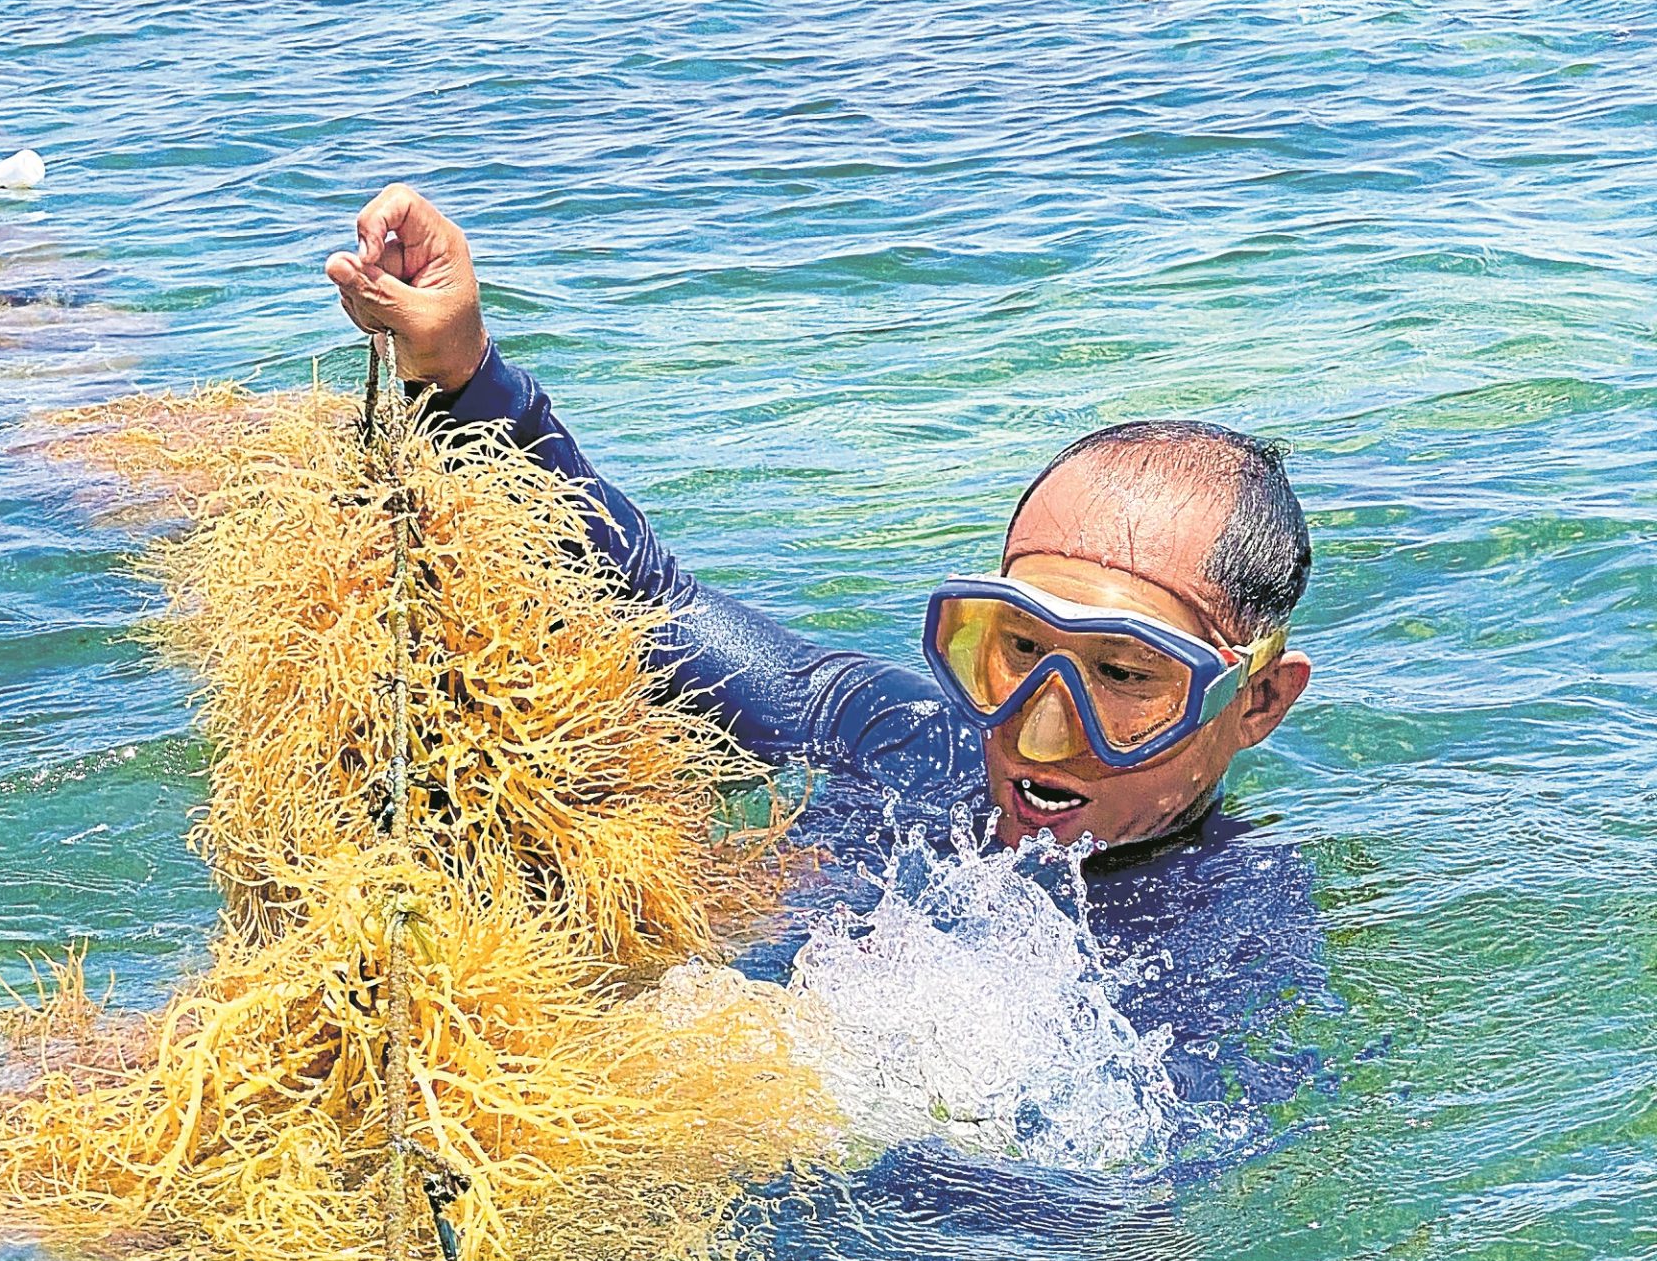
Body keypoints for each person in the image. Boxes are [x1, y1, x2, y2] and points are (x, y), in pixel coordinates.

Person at [325, 184, 1314, 862]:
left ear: (1256, 702)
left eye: (1126, 675)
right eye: (1014, 648)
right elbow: (638, 601)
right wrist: (461, 368)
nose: (1041, 726)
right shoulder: (911, 745)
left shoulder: (1227, 951)